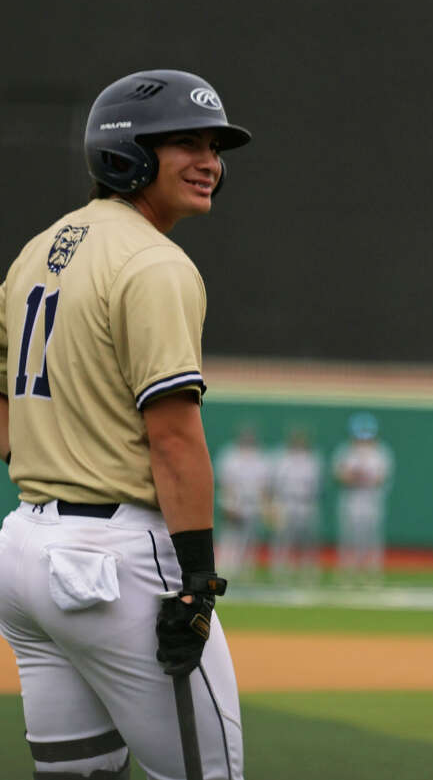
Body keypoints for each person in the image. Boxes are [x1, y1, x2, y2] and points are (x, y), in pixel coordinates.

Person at [0, 69, 250, 779]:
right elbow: (172, 436)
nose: (209, 162)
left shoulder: (35, 253)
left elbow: (5, 422)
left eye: (213, 146)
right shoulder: (154, 262)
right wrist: (197, 580)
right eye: (185, 144)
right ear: (128, 153)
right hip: (114, 558)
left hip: (23, 551)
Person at [332, 412, 394, 580]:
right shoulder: (346, 451)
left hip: (371, 498)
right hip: (352, 497)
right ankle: (347, 571)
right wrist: (356, 476)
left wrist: (361, 476)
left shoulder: (381, 453)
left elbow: (381, 478)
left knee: (372, 537)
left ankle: (372, 572)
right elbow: (340, 475)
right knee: (349, 536)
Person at [214, 424, 273, 577]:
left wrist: (266, 509)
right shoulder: (229, 455)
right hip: (235, 504)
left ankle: (246, 576)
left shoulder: (261, 458)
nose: (248, 439)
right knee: (230, 542)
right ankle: (224, 575)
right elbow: (224, 484)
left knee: (250, 544)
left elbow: (264, 488)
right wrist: (228, 506)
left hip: (253, 505)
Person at [269, 426, 324, 581]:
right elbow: (274, 484)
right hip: (286, 502)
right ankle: (279, 569)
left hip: (306, 503)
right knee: (282, 538)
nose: (299, 442)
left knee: (309, 540)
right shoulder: (281, 458)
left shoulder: (312, 459)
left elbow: (317, 485)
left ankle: (309, 569)